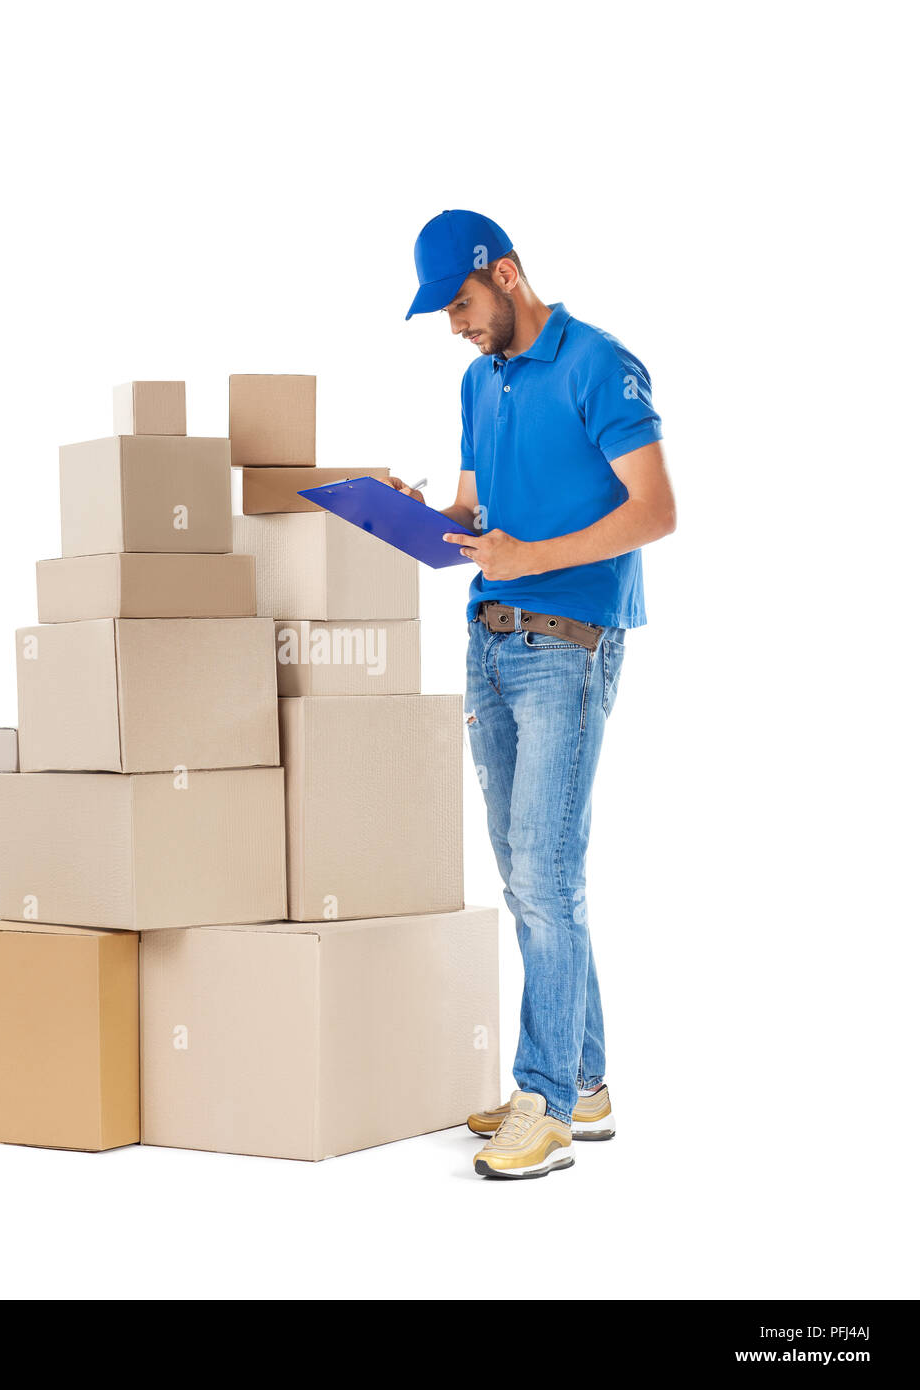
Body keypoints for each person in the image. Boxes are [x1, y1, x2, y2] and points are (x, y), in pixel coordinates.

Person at [395, 210, 676, 1180]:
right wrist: (415, 516)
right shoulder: (478, 381)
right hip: (488, 642)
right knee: (525, 875)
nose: (453, 325)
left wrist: (530, 558)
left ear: (505, 275)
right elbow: (471, 515)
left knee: (546, 876)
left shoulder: (599, 364)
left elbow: (654, 509)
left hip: (568, 642)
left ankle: (545, 1101)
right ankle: (584, 1078)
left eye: (460, 304)